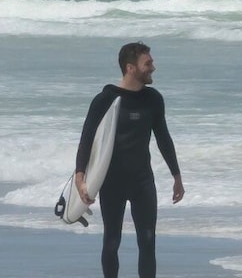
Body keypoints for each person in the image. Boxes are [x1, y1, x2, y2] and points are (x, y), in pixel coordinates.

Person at [73, 42, 184, 278]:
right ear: (131, 68)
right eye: (148, 63)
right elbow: (86, 139)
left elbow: (163, 137)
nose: (153, 67)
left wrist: (177, 176)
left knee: (148, 241)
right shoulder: (105, 99)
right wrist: (80, 178)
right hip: (112, 181)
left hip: (142, 180)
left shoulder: (153, 99)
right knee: (112, 240)